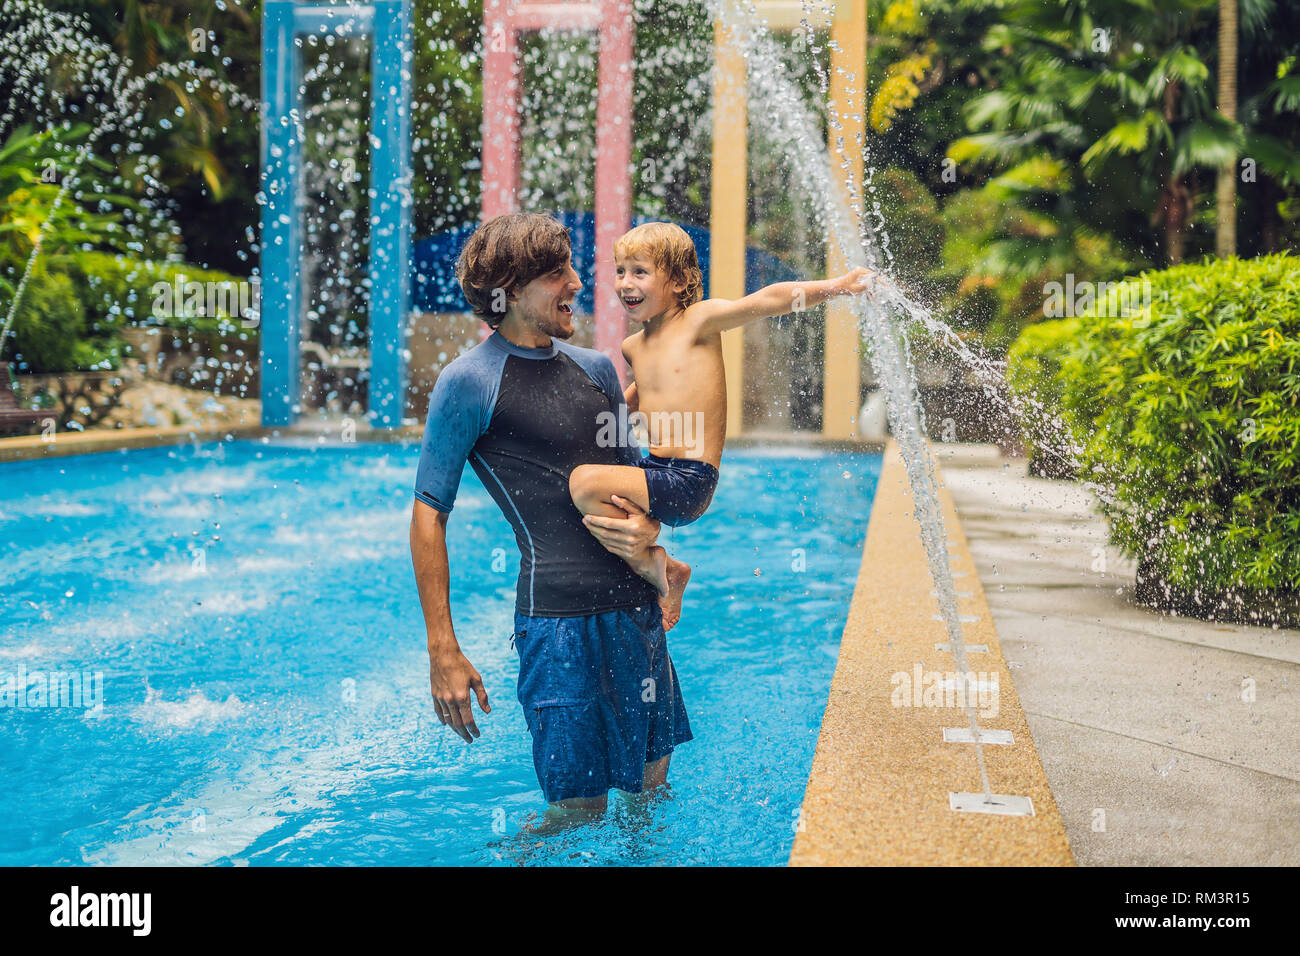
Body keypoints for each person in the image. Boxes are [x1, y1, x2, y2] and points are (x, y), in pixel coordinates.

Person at [409, 213, 693, 832]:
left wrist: (657, 549)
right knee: (575, 815)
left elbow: (629, 484)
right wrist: (443, 650)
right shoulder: (467, 384)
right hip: (559, 629)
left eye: (569, 266)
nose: (575, 281)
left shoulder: (595, 370)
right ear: (508, 293)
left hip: (637, 615)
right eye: (555, 273)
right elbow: (429, 515)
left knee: (651, 797)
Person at [568, 221, 880, 629]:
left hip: (689, 480)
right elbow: (640, 396)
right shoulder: (634, 346)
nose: (626, 282)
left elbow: (768, 300)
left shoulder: (699, 321)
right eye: (621, 271)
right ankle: (655, 547)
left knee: (583, 483)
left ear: (679, 283)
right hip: (653, 471)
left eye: (640, 272)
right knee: (572, 485)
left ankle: (658, 565)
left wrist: (839, 284)